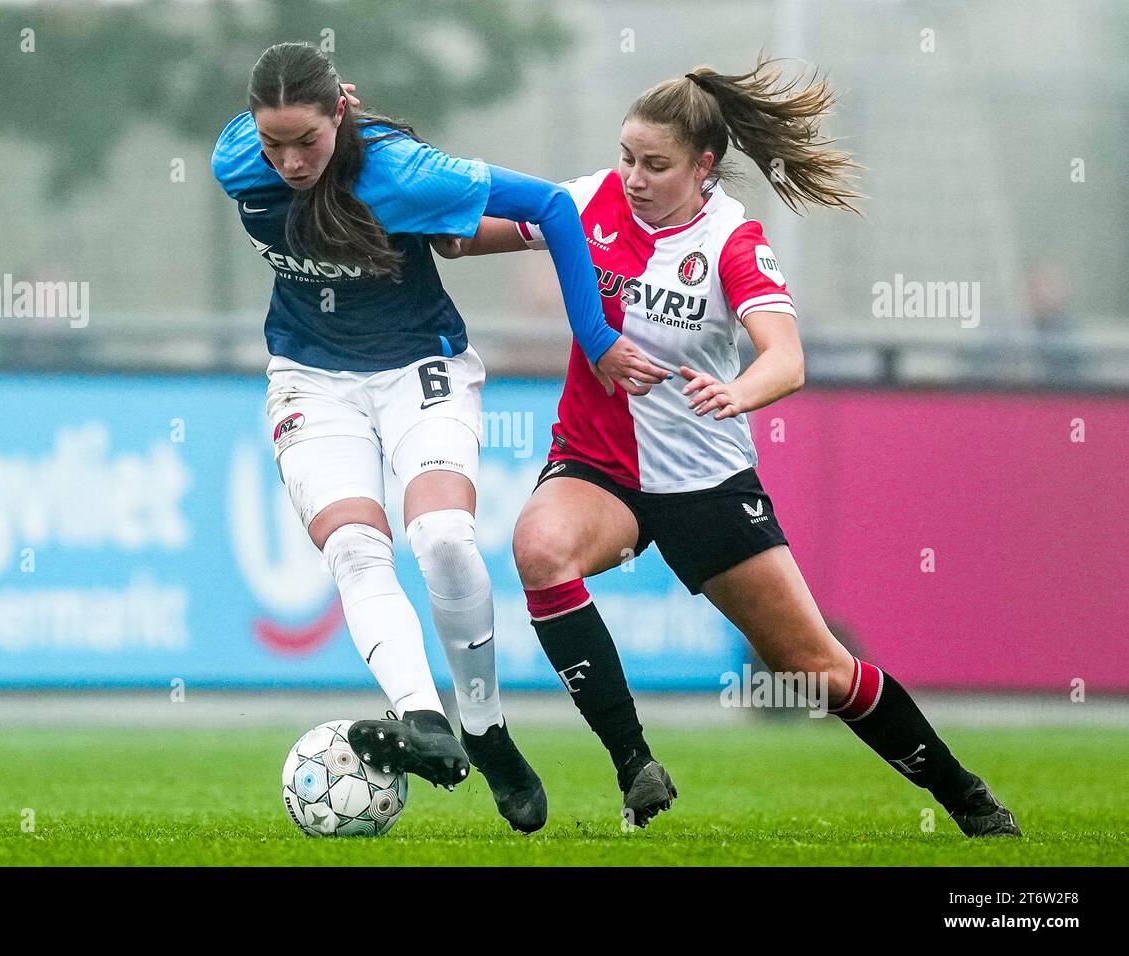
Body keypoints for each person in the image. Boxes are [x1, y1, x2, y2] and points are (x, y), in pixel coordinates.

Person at [434, 56, 1021, 837]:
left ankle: (967, 797)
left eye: (656, 164)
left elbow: (787, 356)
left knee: (816, 671)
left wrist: (738, 391)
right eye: (626, 157)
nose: (634, 177)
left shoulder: (731, 241)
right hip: (597, 466)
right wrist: (390, 180)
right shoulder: (584, 203)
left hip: (706, 480)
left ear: (704, 166)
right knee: (540, 549)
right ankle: (634, 763)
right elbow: (460, 240)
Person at [210, 42, 669, 834]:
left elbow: (555, 209)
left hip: (420, 368)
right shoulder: (232, 159)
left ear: (341, 113)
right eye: (273, 141)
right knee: (355, 548)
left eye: (307, 142)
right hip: (310, 380)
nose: (287, 160)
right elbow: (273, 148)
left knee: (444, 537)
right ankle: (421, 717)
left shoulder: (405, 172)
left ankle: (486, 731)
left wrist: (594, 337)